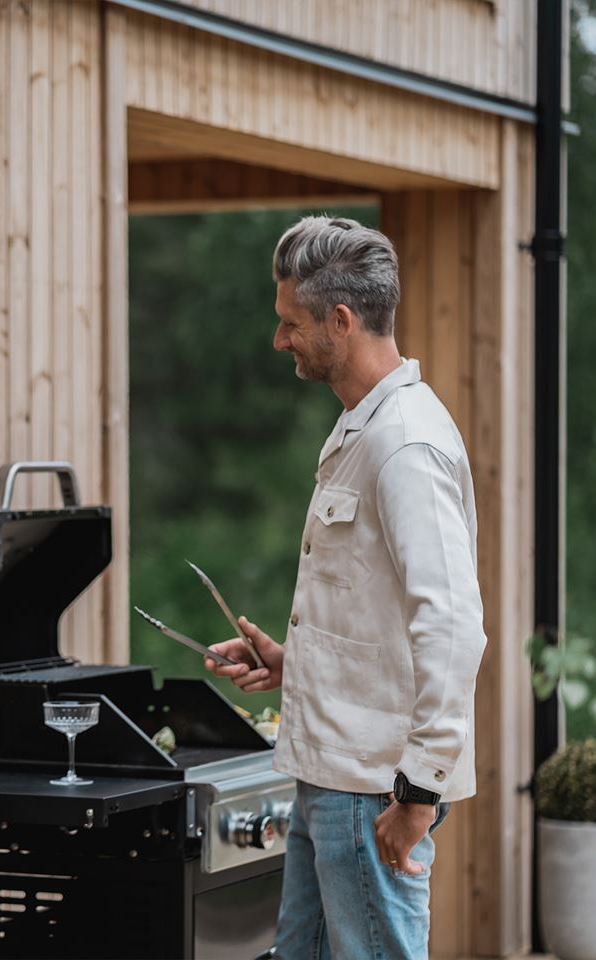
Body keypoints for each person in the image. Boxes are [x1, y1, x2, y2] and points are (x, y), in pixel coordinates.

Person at [205, 217, 486, 959]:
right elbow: (381, 614)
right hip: (331, 775)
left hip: (375, 789)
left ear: (341, 319)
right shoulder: (363, 428)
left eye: (290, 324)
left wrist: (418, 793)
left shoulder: (405, 444)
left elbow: (453, 625)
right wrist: (295, 662)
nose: (279, 340)